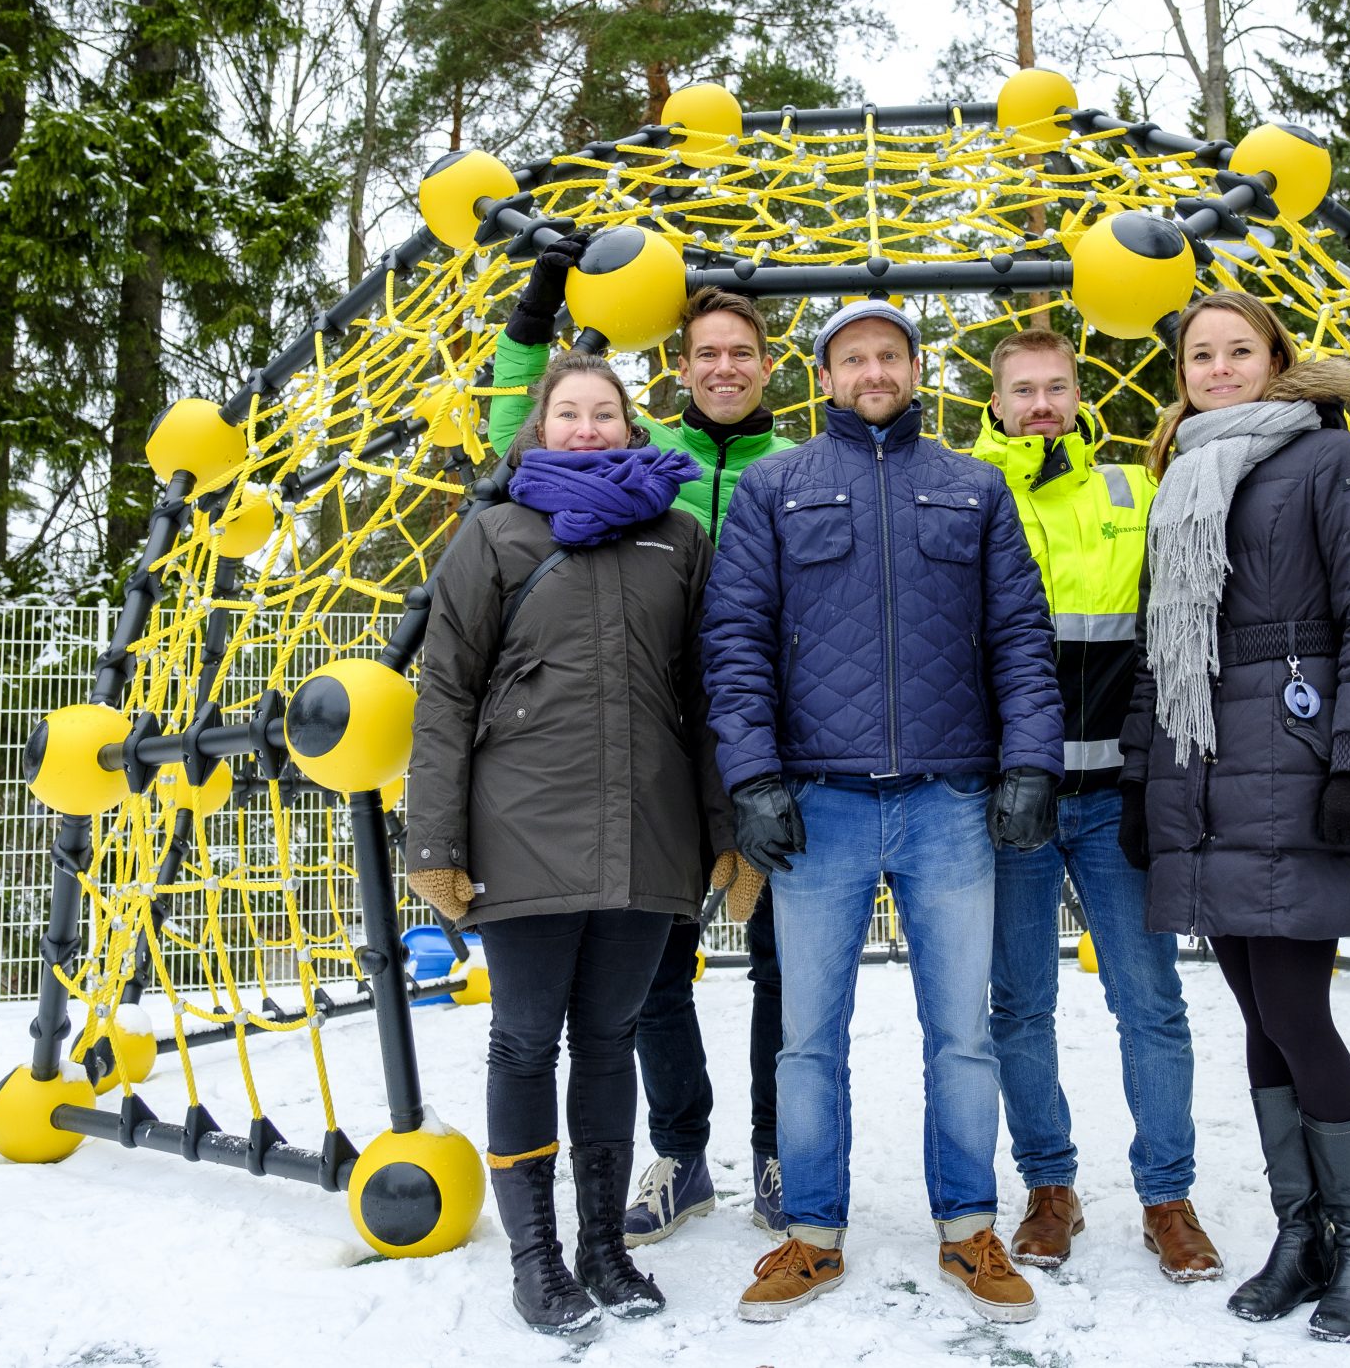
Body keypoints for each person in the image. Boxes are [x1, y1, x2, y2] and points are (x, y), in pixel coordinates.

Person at [702, 298, 1065, 1325]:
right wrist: (754, 777)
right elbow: (735, 645)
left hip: (949, 803)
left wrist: (1028, 763)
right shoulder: (773, 488)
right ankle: (811, 1236)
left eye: (888, 356)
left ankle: (969, 1229)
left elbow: (1019, 643)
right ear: (822, 378)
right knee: (808, 1038)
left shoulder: (971, 488)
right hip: (816, 806)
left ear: (915, 369)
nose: (872, 372)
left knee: (961, 1035)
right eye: (851, 358)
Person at [404, 355, 729, 1339]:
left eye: (605, 413)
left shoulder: (678, 538)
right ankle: (536, 1260)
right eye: (569, 412)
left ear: (632, 426)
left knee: (609, 1040)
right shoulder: (493, 534)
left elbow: (709, 694)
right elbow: (446, 692)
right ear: (538, 428)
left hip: (645, 833)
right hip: (523, 828)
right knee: (523, 1040)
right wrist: (434, 838)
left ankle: (602, 1247)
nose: (587, 427)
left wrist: (723, 832)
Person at [1119, 290, 1350, 1344]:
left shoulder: (1327, 461)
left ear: (1275, 359)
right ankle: (1302, 1235)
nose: (1220, 367)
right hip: (1203, 771)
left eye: (1239, 350)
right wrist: (1142, 782)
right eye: (1201, 354)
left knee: (1296, 1010)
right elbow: (1164, 647)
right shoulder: (1178, 475)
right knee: (1257, 1017)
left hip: (1290, 758)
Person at [486, 254, 797, 1245]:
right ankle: (682, 1153)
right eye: (706, 352)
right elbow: (517, 432)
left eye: (740, 353)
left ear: (765, 365)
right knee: (655, 977)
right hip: (653, 760)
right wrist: (529, 319)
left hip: (772, 749)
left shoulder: (792, 468)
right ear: (680, 367)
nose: (723, 367)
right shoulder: (640, 455)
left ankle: (780, 1151)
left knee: (781, 963)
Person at [969, 328, 1218, 1283]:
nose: (1040, 403)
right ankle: (1050, 1189)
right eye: (1022, 389)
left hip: (1116, 796)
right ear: (995, 402)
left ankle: (1168, 1196)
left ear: (1079, 395)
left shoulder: (1132, 489)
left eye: (1056, 387)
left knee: (1150, 1001)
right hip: (1014, 801)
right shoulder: (969, 489)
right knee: (1019, 1006)